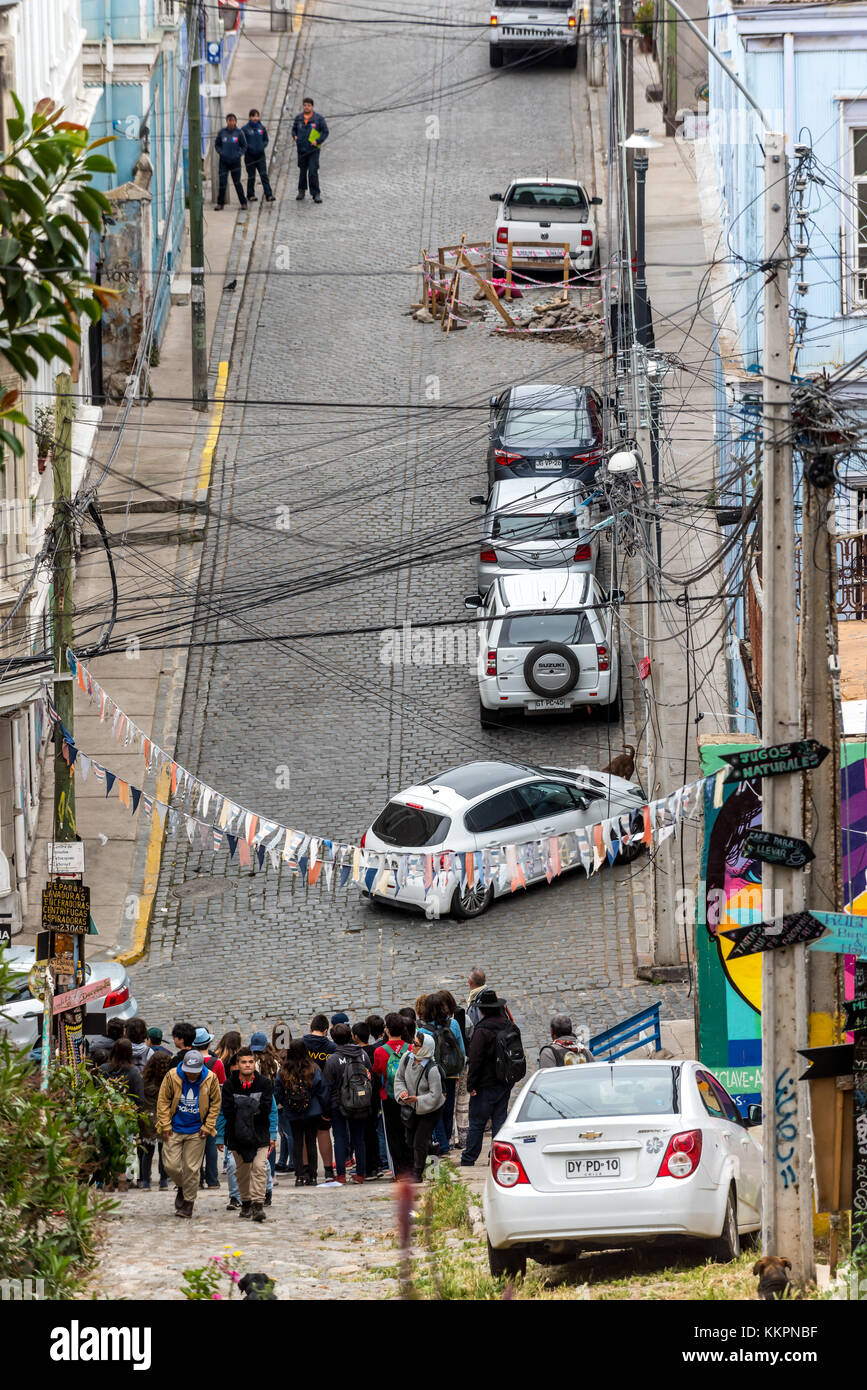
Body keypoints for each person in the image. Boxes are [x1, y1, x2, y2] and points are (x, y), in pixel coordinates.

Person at [461, 990, 525, 1168]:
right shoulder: (510, 1026)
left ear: (482, 1010)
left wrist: (471, 1085)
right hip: (504, 1082)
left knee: (477, 1123)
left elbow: (475, 1060)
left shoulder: (482, 1031)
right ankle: (499, 1156)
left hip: (484, 1084)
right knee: (499, 1120)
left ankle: (468, 1159)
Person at [156, 1049, 222, 1219]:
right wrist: (164, 1124)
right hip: (174, 1127)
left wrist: (208, 1126)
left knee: (192, 1169)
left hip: (197, 1130)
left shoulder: (210, 1078)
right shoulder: (172, 1076)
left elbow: (216, 1104)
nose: (191, 1076)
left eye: (195, 1072)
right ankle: (184, 1187)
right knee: (170, 1165)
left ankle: (188, 1203)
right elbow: (163, 1101)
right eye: (189, 1072)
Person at [217, 1046, 274, 1222]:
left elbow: (266, 1109)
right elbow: (226, 1111)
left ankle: (258, 1205)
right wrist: (250, 1107)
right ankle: (246, 1202)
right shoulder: (229, 1085)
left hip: (260, 1133)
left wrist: (241, 1106)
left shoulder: (264, 1083)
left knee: (259, 1167)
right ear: (238, 1064)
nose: (248, 1065)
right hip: (236, 1134)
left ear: (254, 1063)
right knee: (241, 1171)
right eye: (244, 1062)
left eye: (250, 1062)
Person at [323, 1023, 373, 1184]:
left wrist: (326, 1109)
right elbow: (369, 1076)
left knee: (340, 1137)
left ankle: (341, 1175)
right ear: (351, 1035)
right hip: (360, 1101)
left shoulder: (333, 1059)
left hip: (339, 1104)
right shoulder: (363, 1054)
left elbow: (328, 1086)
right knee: (359, 1138)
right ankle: (360, 1173)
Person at [275, 1040, 330, 1186]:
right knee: (311, 1142)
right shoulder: (313, 1068)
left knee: (297, 1142)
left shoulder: (284, 1070)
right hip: (313, 1110)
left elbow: (278, 1092)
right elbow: (322, 1090)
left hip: (293, 1111)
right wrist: (325, 1109)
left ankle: (299, 1175)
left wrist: (284, 1104)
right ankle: (312, 1175)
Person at [417, 992, 465, 1156]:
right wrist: (458, 1071)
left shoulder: (423, 1030)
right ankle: (448, 1142)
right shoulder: (454, 1024)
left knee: (434, 1108)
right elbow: (461, 1051)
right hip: (451, 1073)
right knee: (448, 1107)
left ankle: (441, 1144)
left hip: (433, 1075)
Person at [394, 1033, 445, 1183]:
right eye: (413, 1043)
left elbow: (435, 1095)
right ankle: (433, 1161)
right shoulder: (406, 1058)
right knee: (410, 1140)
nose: (413, 1046)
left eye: (416, 1044)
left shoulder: (432, 1069)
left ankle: (417, 1174)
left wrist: (417, 1099)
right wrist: (402, 1092)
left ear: (425, 1049)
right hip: (413, 1107)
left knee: (419, 1141)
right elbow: (399, 1078)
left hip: (431, 1110)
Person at [373, 1013, 412, 1178]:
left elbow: (377, 1071)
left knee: (393, 1135)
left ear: (387, 1031)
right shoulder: (410, 1048)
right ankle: (412, 1166)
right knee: (409, 1131)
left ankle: (400, 1172)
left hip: (388, 1097)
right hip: (408, 1096)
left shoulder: (380, 1051)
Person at [302, 1014, 337, 1181]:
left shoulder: (301, 1044)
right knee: (323, 1132)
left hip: (302, 1095)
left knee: (304, 1135)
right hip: (324, 1095)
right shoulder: (331, 1047)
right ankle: (329, 1170)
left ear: (310, 1029)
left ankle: (307, 1171)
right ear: (326, 1030)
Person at [193, 1028, 225, 1190]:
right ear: (209, 1043)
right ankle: (212, 1179)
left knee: (195, 1145)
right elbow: (221, 1085)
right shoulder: (217, 1063)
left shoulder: (189, 1061)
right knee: (211, 1144)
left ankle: (197, 1178)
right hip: (212, 1106)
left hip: (193, 1106)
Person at [140, 1051, 173, 1189]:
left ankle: (146, 1181)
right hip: (164, 1118)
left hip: (147, 1118)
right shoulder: (169, 1080)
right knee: (164, 1151)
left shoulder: (143, 1079)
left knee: (147, 1152)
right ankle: (163, 1180)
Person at [354, 1020, 383, 1180]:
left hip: (360, 1100)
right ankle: (377, 1163)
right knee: (373, 1131)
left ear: (356, 1037)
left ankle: (367, 1166)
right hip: (374, 1097)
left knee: (363, 1134)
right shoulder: (375, 1050)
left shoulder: (356, 1054)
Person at [292, 97, 328, 203]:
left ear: (312, 107)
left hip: (313, 150)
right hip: (301, 149)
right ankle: (301, 191)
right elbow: (294, 130)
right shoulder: (298, 118)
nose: (306, 107)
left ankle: (316, 193)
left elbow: (325, 132)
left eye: (308, 105)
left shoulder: (319, 119)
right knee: (302, 171)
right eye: (305, 105)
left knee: (313, 172)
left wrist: (318, 141)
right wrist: (294, 136)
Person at [214, 113, 248, 210]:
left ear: (235, 122)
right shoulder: (222, 132)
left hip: (235, 162)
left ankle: (243, 203)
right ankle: (220, 204)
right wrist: (220, 152)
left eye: (233, 120)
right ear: (227, 121)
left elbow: (244, 146)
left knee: (237, 183)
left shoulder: (239, 133)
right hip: (223, 162)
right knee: (222, 183)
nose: (231, 122)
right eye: (229, 120)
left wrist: (239, 154)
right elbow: (217, 144)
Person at [242, 108, 273, 203]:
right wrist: (248, 148)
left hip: (260, 155)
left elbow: (266, 140)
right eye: (253, 116)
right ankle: (250, 195)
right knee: (251, 176)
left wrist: (262, 146)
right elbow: (242, 142)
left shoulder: (261, 128)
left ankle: (269, 195)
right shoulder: (245, 129)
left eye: (257, 116)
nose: (255, 118)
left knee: (264, 175)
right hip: (249, 157)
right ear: (250, 117)